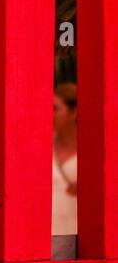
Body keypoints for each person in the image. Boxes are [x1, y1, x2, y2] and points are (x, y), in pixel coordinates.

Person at [52, 82, 78, 236]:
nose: (50, 114)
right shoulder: (39, 147)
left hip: (79, 238)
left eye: (55, 109)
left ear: (74, 112)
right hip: (45, 240)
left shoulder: (94, 150)